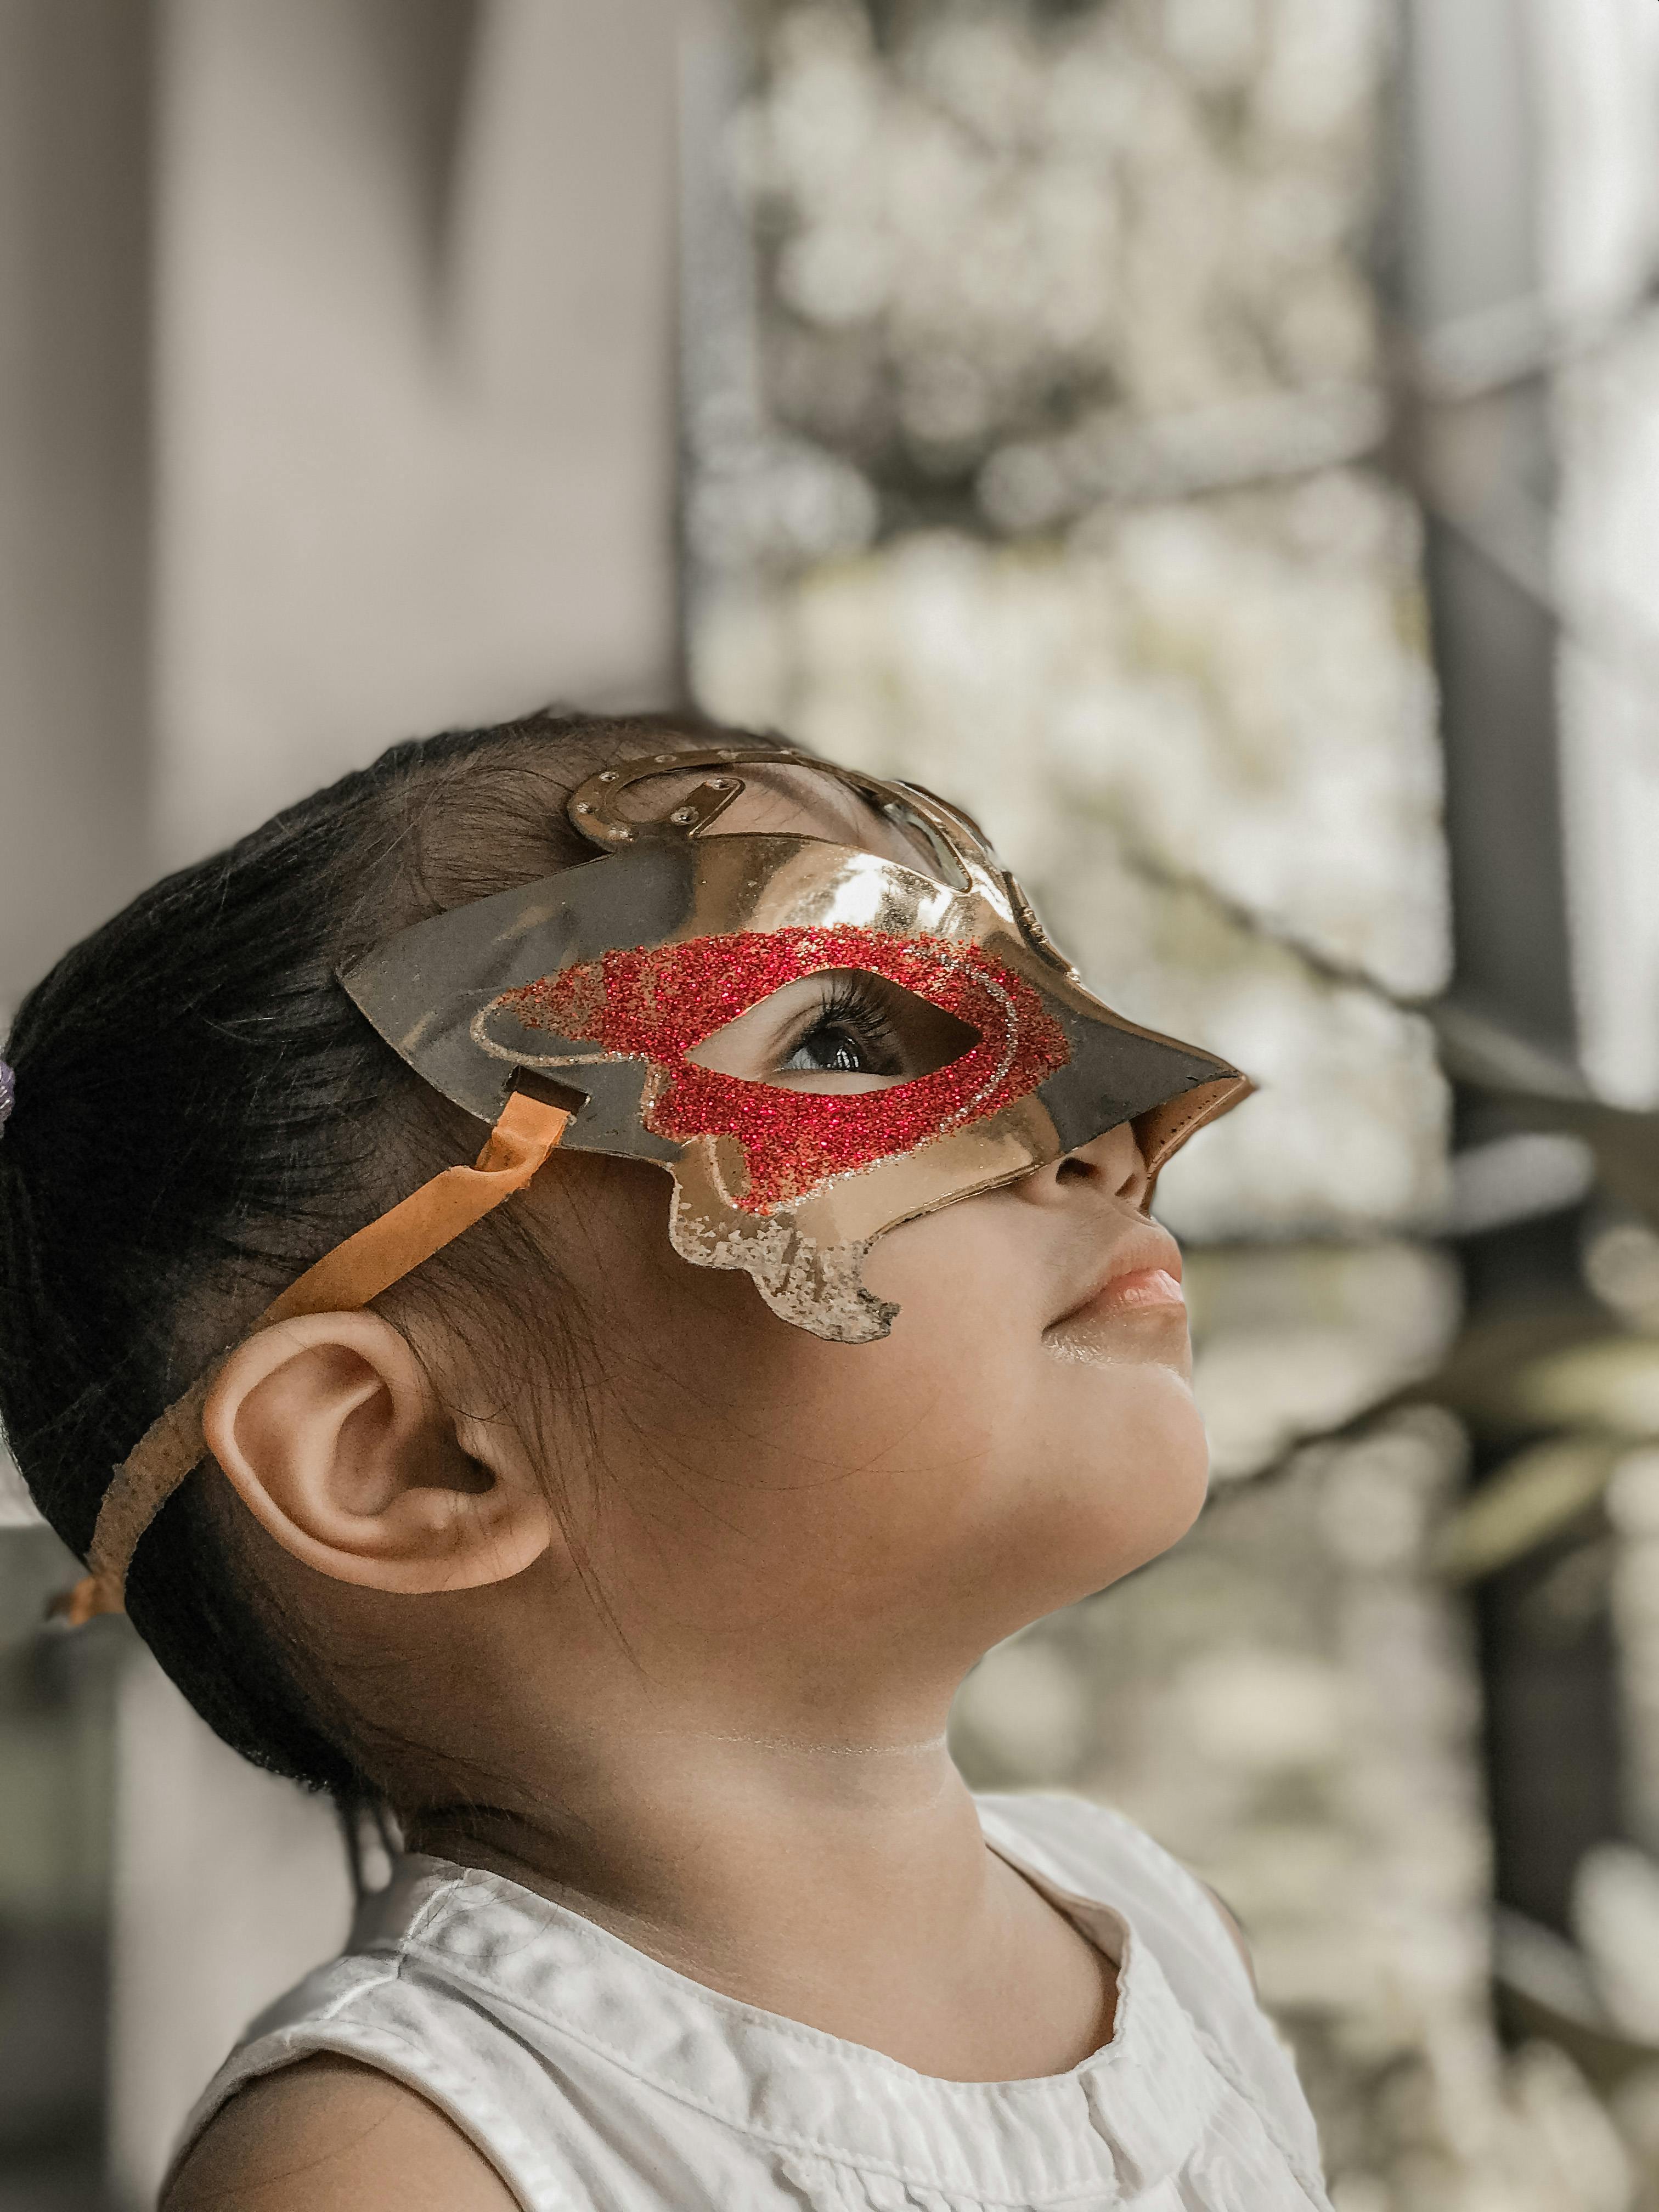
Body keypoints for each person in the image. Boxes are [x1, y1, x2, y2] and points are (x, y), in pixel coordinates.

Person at [0, 710, 1330, 2211]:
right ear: (415, 1456)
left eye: (1034, 998)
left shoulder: (1160, 1933)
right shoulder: (396, 2172)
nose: (1123, 1126)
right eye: (842, 1030)